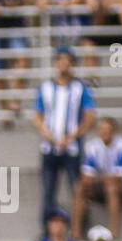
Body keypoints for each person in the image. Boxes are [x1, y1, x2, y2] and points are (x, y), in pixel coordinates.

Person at [32, 46, 96, 220]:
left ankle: (80, 226)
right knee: (48, 192)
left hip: (72, 147)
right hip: (49, 147)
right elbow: (37, 116)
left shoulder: (80, 88)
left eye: (67, 60)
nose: (63, 64)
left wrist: (71, 137)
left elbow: (89, 117)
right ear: (55, 63)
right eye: (60, 60)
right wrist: (49, 136)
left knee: (77, 189)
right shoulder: (45, 87)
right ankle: (46, 231)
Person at [75, 117, 122, 239]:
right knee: (80, 187)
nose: (105, 133)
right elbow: (86, 176)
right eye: (102, 129)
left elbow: (118, 178)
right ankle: (76, 234)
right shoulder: (92, 146)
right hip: (104, 185)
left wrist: (96, 179)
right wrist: (94, 180)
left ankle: (113, 234)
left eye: (108, 130)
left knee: (111, 188)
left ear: (114, 131)